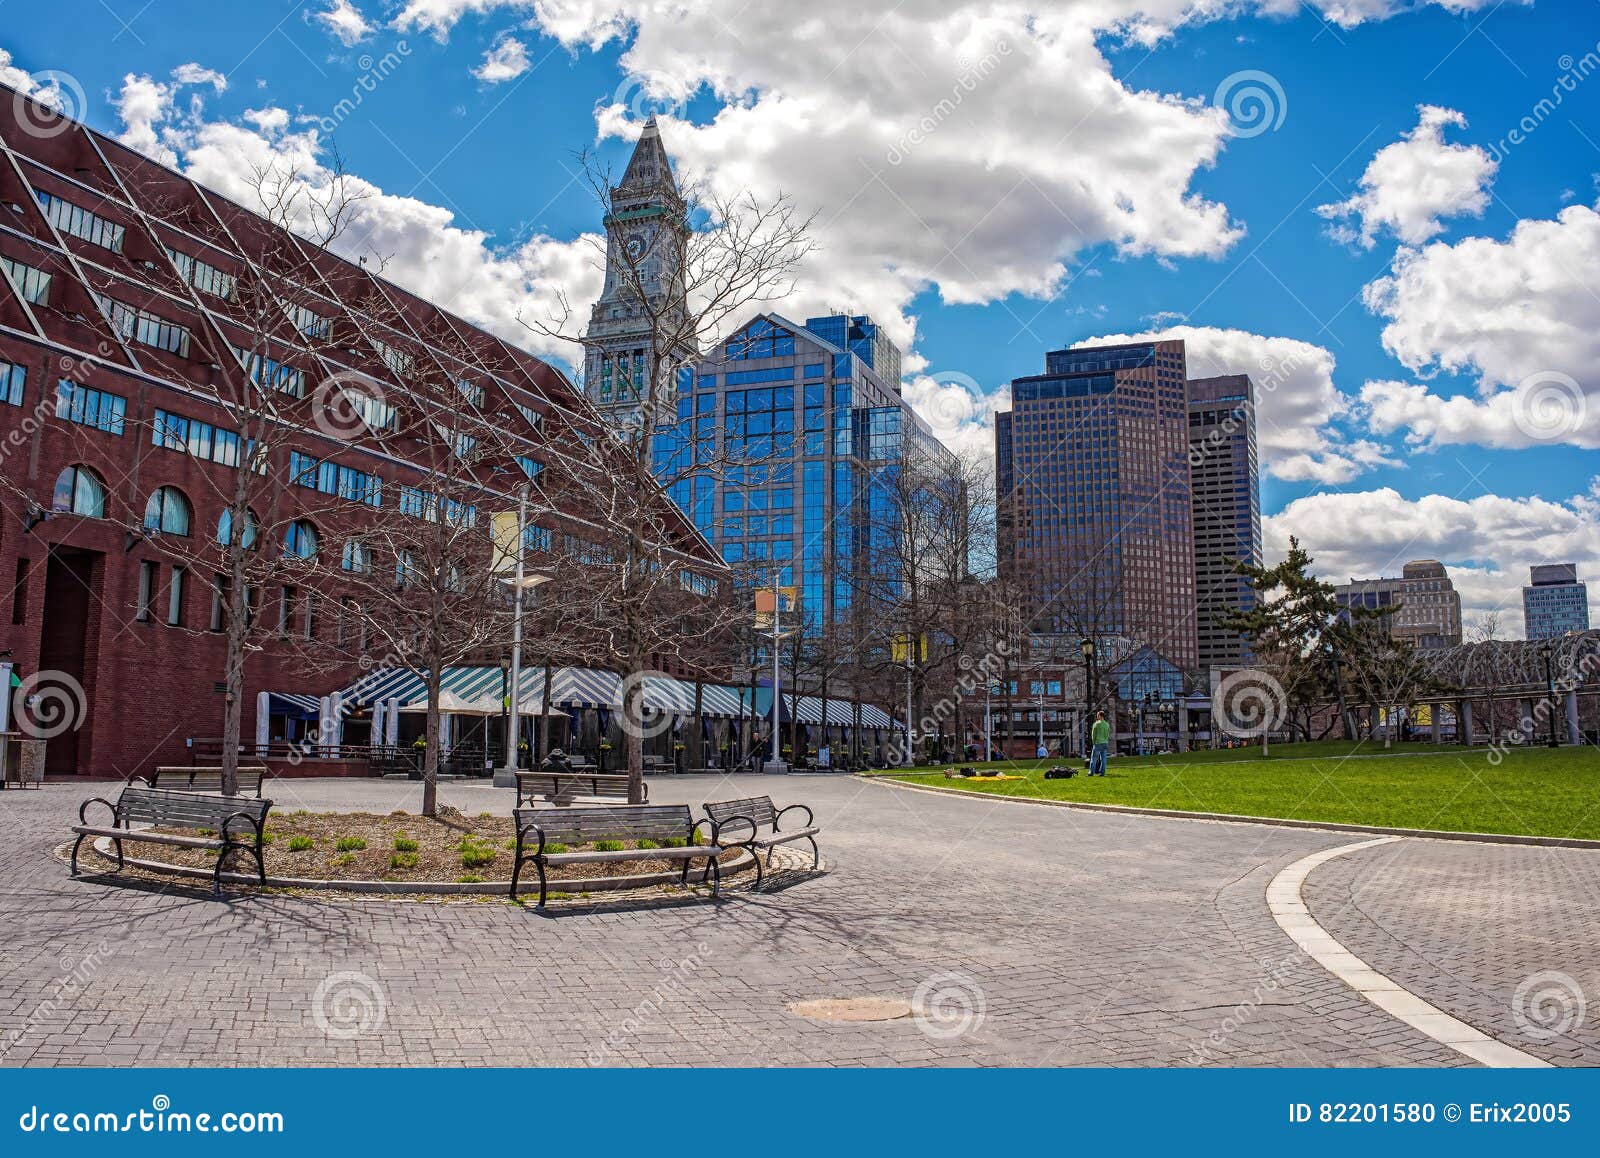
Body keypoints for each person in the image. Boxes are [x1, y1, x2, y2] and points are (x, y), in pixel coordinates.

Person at [1088, 710, 1110, 776]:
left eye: (1097, 715)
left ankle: (1091, 772)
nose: (1097, 716)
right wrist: (1106, 740)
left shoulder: (1096, 724)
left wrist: (1094, 742)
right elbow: (1107, 735)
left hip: (1098, 743)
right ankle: (1102, 772)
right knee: (1103, 759)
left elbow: (1093, 735)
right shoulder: (1107, 724)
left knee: (1094, 758)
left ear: (1100, 716)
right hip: (1105, 743)